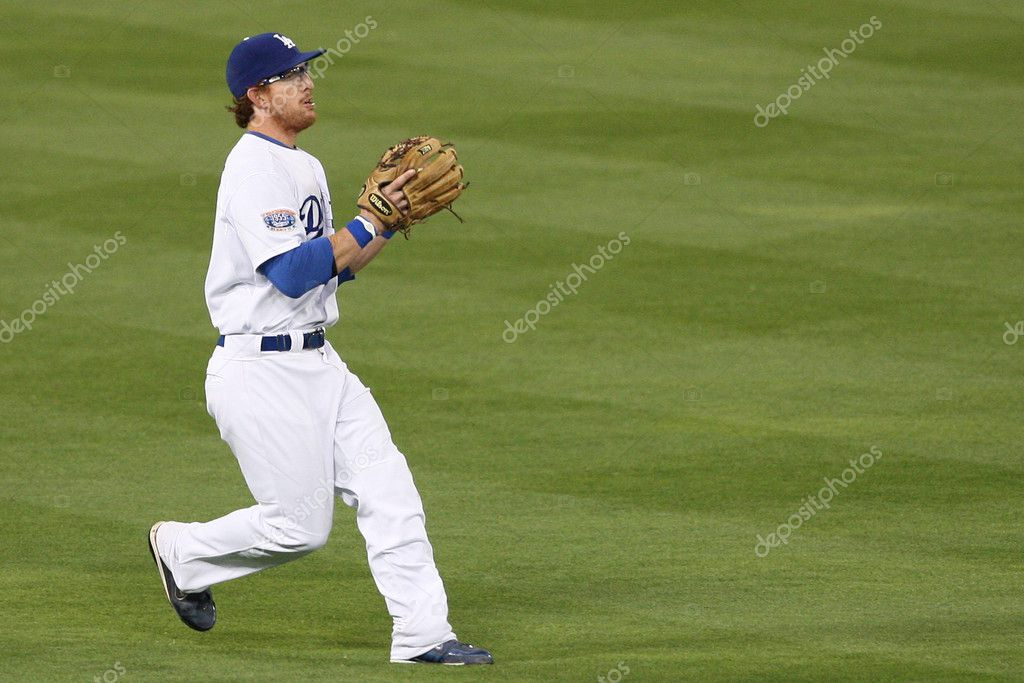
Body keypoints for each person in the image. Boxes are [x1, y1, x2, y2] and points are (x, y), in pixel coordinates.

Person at [146, 32, 493, 666]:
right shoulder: (251, 167)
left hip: (319, 364)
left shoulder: (303, 166)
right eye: (291, 75)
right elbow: (290, 273)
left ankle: (423, 637)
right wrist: (367, 221)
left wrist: (386, 222)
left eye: (308, 71)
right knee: (298, 530)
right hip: (259, 370)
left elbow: (337, 268)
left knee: (390, 492)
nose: (307, 83)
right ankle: (181, 551)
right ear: (258, 95)